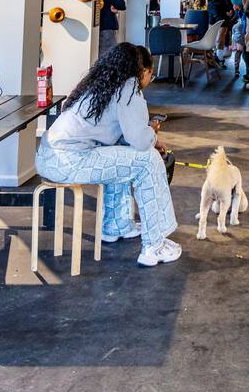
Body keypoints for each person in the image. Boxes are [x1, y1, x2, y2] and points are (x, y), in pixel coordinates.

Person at [35, 43, 179, 266]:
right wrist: (151, 134)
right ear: (143, 71)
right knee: (148, 161)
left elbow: (122, 139)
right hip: (70, 161)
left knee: (123, 156)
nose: (150, 79)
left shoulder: (101, 84)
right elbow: (141, 142)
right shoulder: (129, 88)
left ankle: (116, 226)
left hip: (48, 157)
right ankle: (154, 246)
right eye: (150, 73)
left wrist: (151, 139)